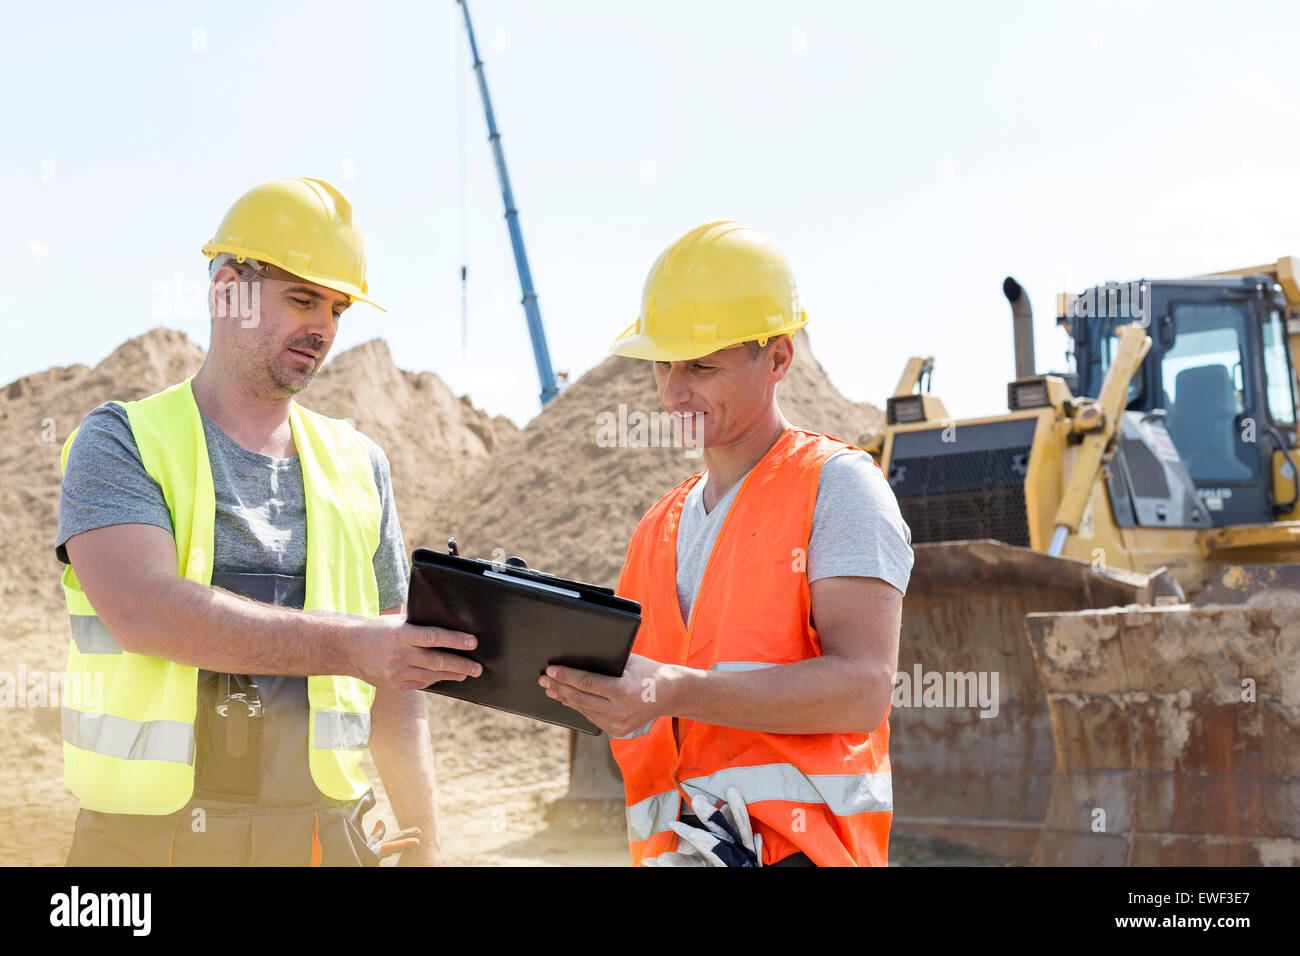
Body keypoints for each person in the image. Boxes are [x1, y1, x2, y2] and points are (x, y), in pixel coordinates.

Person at [55, 178, 480, 866]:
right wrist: (351, 647)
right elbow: (145, 612)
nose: (325, 328)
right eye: (303, 298)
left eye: (338, 308)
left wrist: (425, 842)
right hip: (141, 846)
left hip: (319, 839)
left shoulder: (361, 464)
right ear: (227, 292)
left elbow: (394, 680)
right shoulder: (121, 442)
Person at [541, 221, 912, 866]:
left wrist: (678, 690)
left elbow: (864, 689)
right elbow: (645, 695)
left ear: (777, 358)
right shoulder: (659, 526)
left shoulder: (838, 487)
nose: (672, 391)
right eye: (663, 363)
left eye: (702, 365)